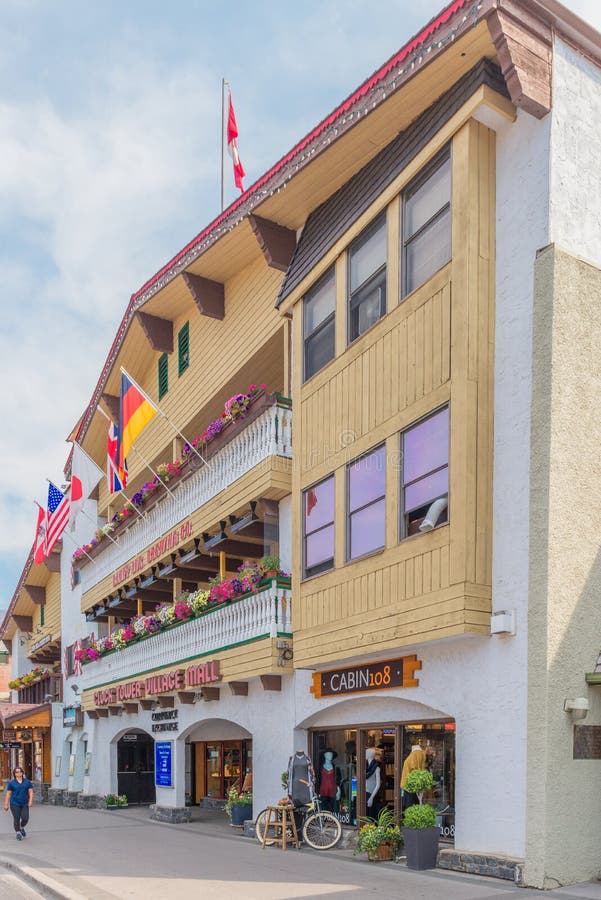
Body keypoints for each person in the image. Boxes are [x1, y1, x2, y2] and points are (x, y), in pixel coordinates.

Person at [4, 766, 34, 840]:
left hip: (24, 803)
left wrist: (30, 801)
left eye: (20, 771)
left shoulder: (27, 782)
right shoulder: (12, 783)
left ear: (22, 773)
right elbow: (8, 794)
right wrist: (6, 804)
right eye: (17, 772)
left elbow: (31, 792)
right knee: (16, 818)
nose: (19, 773)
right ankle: (18, 833)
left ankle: (21, 827)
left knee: (25, 818)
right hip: (14, 803)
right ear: (14, 774)